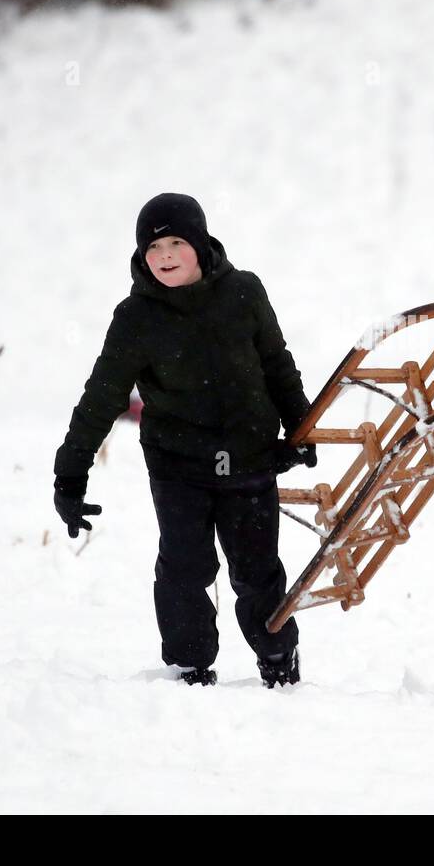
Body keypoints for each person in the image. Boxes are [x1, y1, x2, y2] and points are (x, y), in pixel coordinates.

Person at [52, 193, 315, 689]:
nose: (166, 255)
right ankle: (188, 669)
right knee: (185, 569)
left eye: (177, 242)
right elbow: (101, 397)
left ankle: (279, 657)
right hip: (178, 466)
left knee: (257, 573)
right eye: (154, 247)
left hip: (250, 458)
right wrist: (70, 473)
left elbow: (277, 362)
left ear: (200, 244)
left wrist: (299, 427)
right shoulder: (136, 317)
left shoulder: (243, 292)